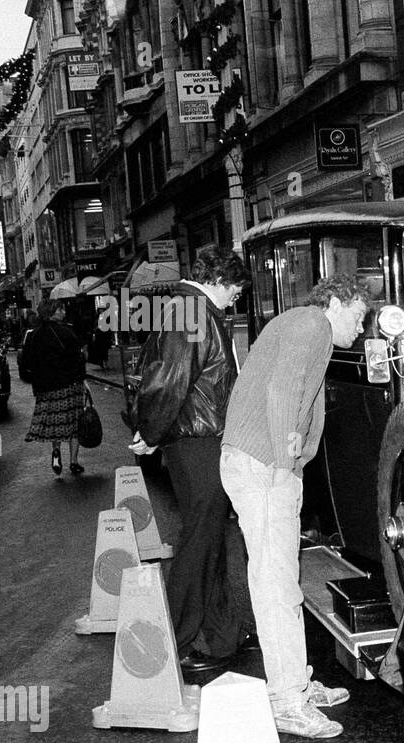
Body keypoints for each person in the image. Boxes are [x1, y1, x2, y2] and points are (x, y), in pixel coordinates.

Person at [221, 274, 368, 738]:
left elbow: (304, 401)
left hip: (263, 464)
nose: (362, 330)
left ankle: (296, 685)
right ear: (338, 302)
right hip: (264, 466)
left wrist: (296, 460)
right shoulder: (312, 327)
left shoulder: (304, 326)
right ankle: (286, 701)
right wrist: (288, 459)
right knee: (276, 587)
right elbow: (282, 393)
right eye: (360, 316)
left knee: (283, 582)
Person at [128, 244, 252, 673]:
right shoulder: (191, 311)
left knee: (210, 538)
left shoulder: (193, 309)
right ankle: (174, 640)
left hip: (200, 442)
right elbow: (167, 382)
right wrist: (149, 432)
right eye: (236, 286)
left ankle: (222, 635)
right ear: (218, 278)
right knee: (199, 543)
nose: (238, 294)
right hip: (197, 445)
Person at [23, 299, 86, 476]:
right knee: (74, 423)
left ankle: (56, 451)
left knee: (56, 423)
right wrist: (81, 379)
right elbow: (77, 360)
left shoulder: (33, 335)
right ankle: (73, 461)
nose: (64, 313)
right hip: (68, 385)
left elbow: (27, 362)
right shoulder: (66, 333)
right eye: (61, 310)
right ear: (53, 312)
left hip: (45, 387)